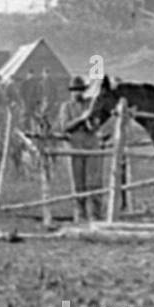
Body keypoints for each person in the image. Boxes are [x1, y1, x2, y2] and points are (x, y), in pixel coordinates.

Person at [57, 76, 104, 220]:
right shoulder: (66, 107)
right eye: (74, 91)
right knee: (78, 182)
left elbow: (96, 124)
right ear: (70, 92)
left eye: (79, 90)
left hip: (91, 146)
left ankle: (96, 213)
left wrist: (91, 121)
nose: (77, 93)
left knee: (94, 181)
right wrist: (81, 119)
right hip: (75, 148)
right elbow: (65, 127)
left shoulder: (90, 104)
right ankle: (80, 214)